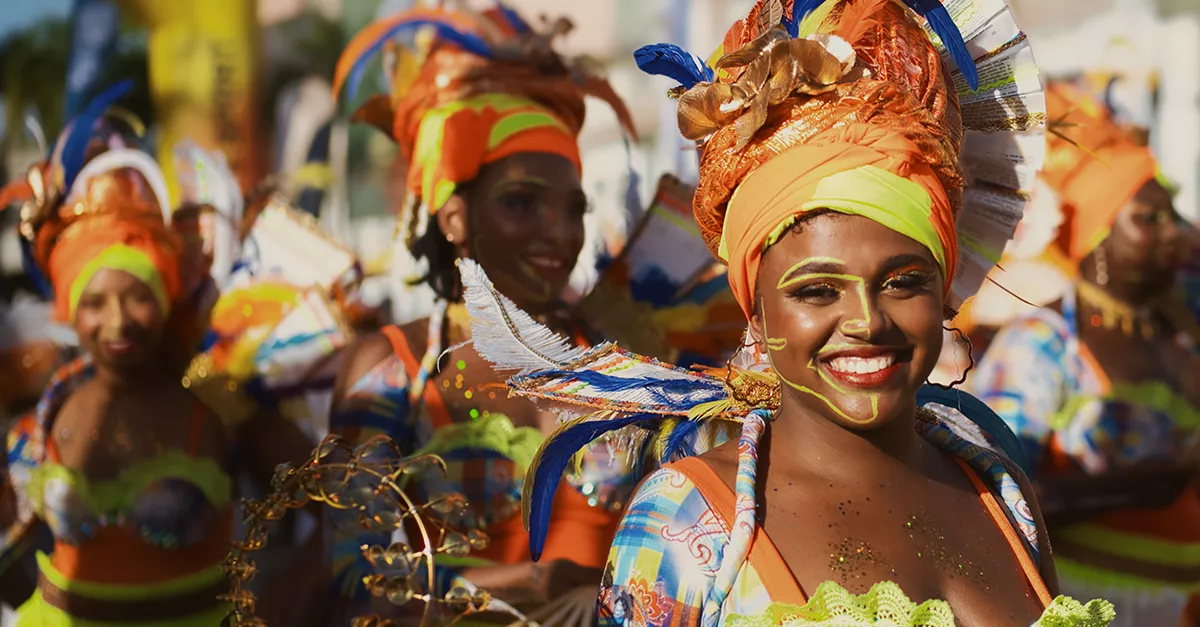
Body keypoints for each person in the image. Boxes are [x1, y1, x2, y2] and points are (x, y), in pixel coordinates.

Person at [457, 0, 1117, 624]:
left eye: (902, 281)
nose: (866, 320)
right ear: (757, 313)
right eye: (816, 291)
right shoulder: (687, 519)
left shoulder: (998, 488)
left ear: (943, 287)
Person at [326, 3, 639, 622]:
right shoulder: (392, 370)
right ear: (455, 218)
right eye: (521, 202)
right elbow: (355, 574)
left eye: (573, 208)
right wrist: (530, 584)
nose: (558, 232)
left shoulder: (619, 364)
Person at [0, 92, 312, 626]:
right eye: (94, 303)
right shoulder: (50, 409)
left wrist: (276, 609)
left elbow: (331, 506)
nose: (118, 321)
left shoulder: (213, 403)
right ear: (69, 311)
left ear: (166, 299)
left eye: (138, 297)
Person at [969, 82, 1199, 627]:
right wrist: (1125, 490)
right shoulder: (1041, 344)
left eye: (1172, 215)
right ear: (1097, 239)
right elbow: (991, 498)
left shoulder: (1180, 335)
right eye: (1149, 219)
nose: (1175, 234)